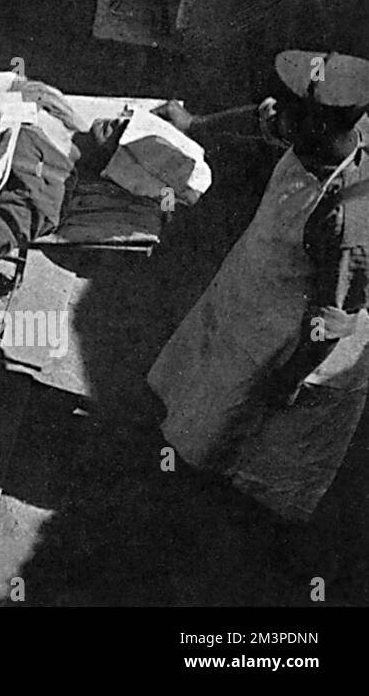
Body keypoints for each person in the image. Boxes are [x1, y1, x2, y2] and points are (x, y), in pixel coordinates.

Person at [147, 50, 369, 525]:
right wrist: (194, 123)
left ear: (326, 128)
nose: (279, 117)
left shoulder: (349, 216)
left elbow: (331, 322)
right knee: (206, 399)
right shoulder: (315, 131)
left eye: (293, 116)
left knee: (245, 438)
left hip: (297, 343)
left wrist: (287, 380)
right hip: (256, 294)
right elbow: (265, 119)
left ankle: (196, 524)